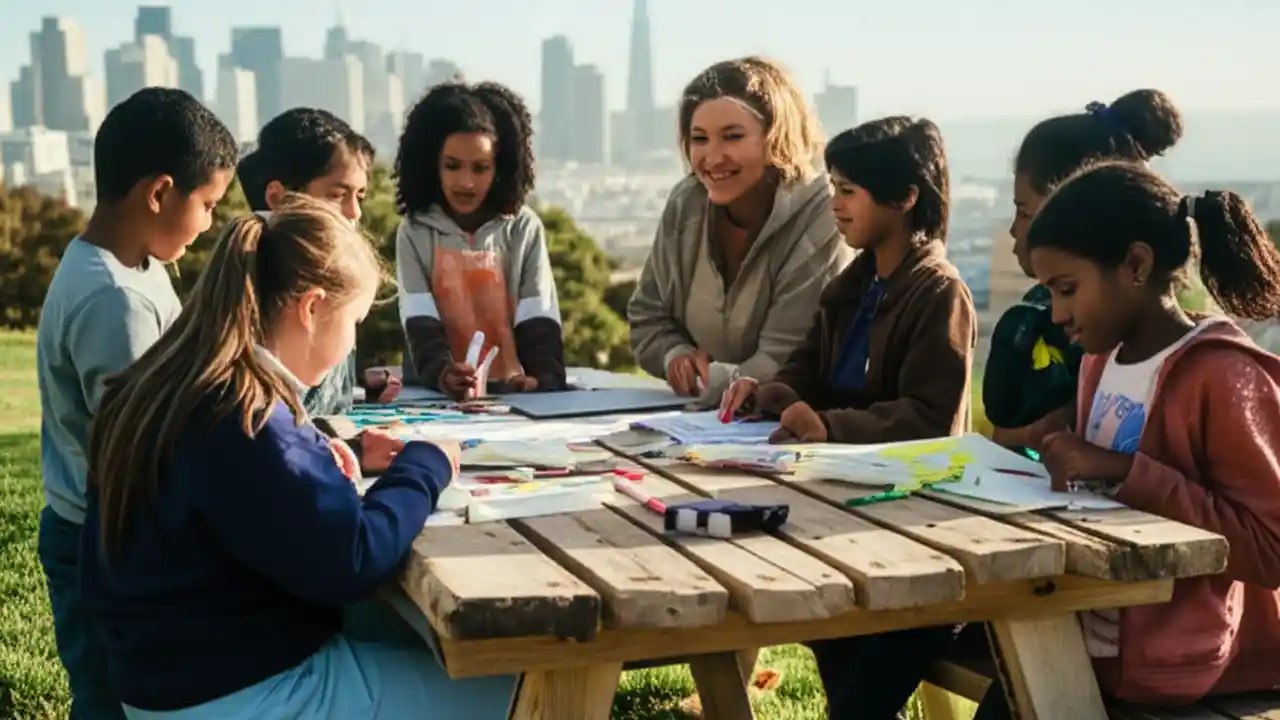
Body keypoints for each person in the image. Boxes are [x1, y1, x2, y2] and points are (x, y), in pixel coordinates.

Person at [80, 196, 518, 718]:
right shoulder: (249, 417)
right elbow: (352, 558)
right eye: (353, 321)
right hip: (244, 694)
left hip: (163, 682)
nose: (352, 339)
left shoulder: (171, 384)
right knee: (521, 681)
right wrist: (425, 466)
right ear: (311, 308)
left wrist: (320, 466)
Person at [974, 161, 1280, 717]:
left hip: (1175, 666)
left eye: (1067, 289)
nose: (1059, 314)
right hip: (1080, 637)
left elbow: (1270, 548)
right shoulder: (1098, 361)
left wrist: (1124, 471)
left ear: (1136, 265)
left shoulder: (1223, 376)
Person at [719, 116, 976, 719]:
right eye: (832, 187)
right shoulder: (852, 285)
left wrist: (829, 426)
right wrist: (770, 391)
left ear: (905, 197)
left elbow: (930, 418)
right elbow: (806, 367)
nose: (834, 205)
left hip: (911, 536)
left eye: (847, 191)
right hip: (837, 511)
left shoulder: (939, 293)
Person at [34, 87, 237, 719]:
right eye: (206, 204)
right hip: (99, 538)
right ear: (158, 193)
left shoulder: (133, 264)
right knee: (106, 696)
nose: (208, 223)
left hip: (110, 529)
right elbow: (145, 440)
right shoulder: (114, 300)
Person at [627, 56, 852, 407]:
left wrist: (711, 382)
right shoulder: (686, 202)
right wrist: (675, 356)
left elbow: (786, 355)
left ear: (776, 138)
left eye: (732, 137)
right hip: (706, 426)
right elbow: (647, 316)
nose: (713, 157)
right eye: (699, 138)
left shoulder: (822, 213)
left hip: (796, 424)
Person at [985, 90, 1183, 456]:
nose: (1015, 230)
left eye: (1025, 212)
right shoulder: (1081, 348)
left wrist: (1116, 470)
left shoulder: (1193, 370)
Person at [393, 81, 565, 401]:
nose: (466, 182)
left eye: (480, 168)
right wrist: (445, 375)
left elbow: (537, 314)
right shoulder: (414, 231)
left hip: (514, 396)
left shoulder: (523, 228)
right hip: (433, 397)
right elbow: (419, 318)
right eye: (453, 166)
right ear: (432, 164)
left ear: (500, 167)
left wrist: (544, 381)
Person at [238, 107, 403, 414]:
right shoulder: (264, 284)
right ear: (278, 198)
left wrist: (355, 388)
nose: (354, 212)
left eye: (360, 196)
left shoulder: (336, 274)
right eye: (337, 194)